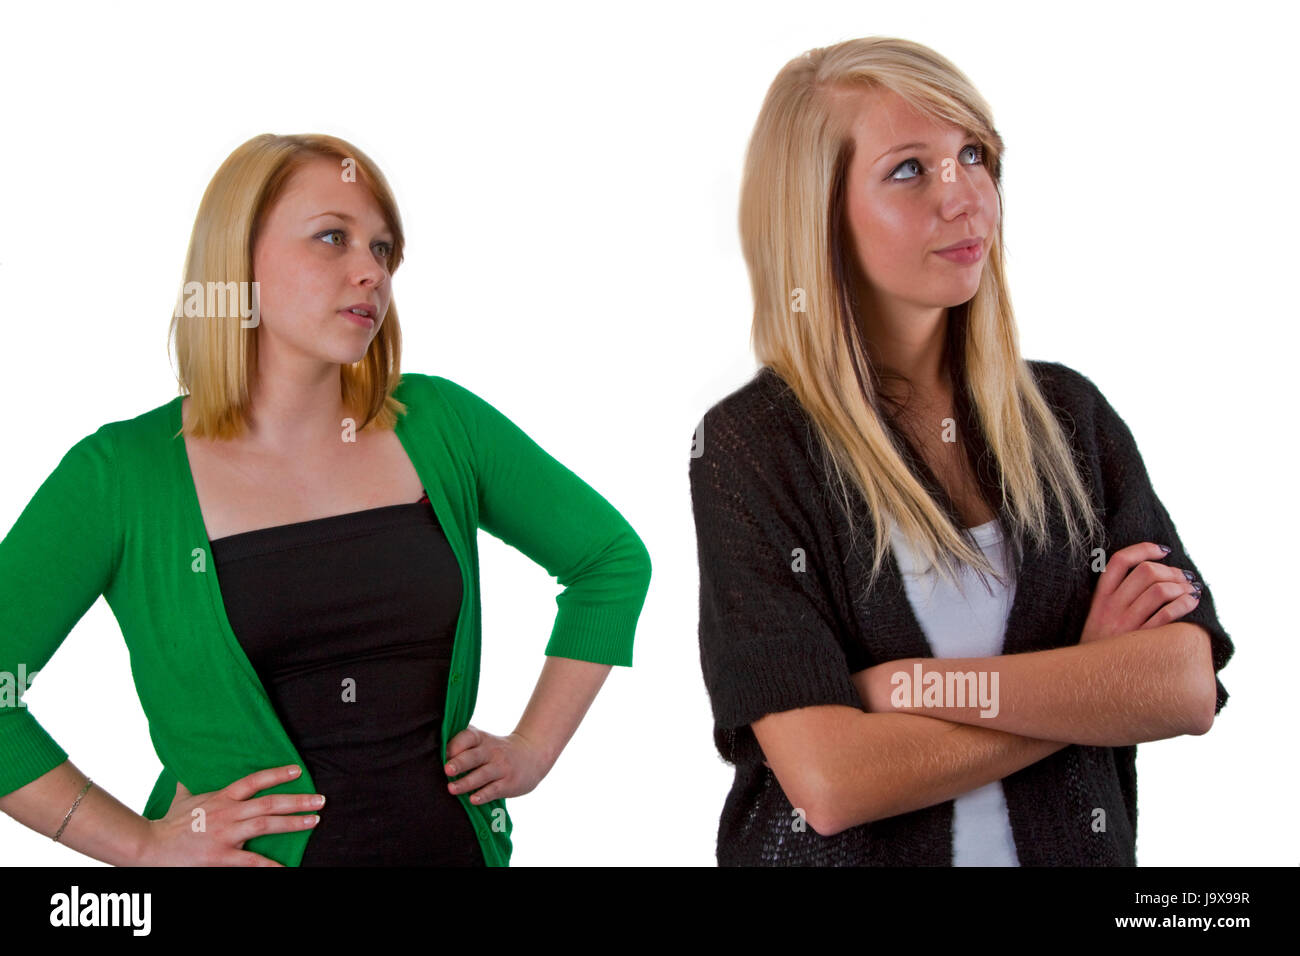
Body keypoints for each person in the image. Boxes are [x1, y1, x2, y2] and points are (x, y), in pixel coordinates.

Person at [0, 133, 652, 866]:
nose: (369, 272)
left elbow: (610, 560)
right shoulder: (121, 475)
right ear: (237, 260)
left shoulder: (442, 425)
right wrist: (138, 845)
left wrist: (533, 748)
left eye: (382, 250)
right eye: (332, 238)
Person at [689, 37, 1232, 866]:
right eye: (910, 169)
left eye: (973, 155)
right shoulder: (752, 447)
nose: (965, 198)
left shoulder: (1068, 417)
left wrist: (913, 689)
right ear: (817, 210)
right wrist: (1084, 681)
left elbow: (1185, 686)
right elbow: (831, 781)